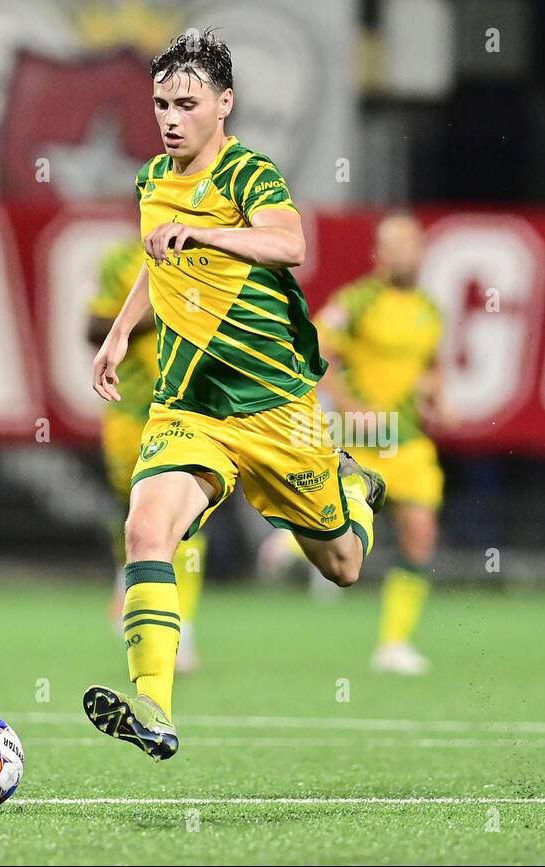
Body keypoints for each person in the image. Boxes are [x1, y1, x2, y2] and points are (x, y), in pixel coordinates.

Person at [83, 30, 386, 760]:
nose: (170, 117)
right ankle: (154, 705)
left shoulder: (251, 175)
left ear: (224, 104)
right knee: (146, 532)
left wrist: (207, 235)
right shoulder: (152, 180)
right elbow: (158, 267)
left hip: (277, 410)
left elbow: (290, 246)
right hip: (188, 408)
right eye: (161, 103)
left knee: (342, 567)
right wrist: (122, 332)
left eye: (186, 103)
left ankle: (359, 494)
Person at [317, 214, 449, 676]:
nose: (400, 254)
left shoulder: (429, 309)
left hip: (408, 438)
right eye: (390, 246)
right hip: (364, 439)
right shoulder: (356, 301)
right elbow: (315, 352)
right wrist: (351, 407)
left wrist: (436, 392)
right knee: (349, 531)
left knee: (420, 533)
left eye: (408, 245)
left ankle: (394, 643)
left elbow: (433, 366)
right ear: (379, 253)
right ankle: (293, 546)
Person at [86, 242, 205, 674]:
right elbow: (92, 327)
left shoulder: (216, 255)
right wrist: (157, 311)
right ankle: (128, 585)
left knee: (188, 521)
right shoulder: (120, 262)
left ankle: (181, 633)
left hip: (188, 412)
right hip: (131, 411)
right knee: (136, 517)